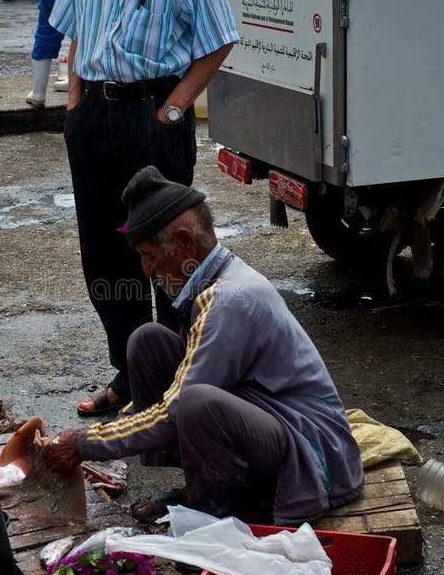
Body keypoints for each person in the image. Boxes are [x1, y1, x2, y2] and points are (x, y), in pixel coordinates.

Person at [39, 166, 365, 526]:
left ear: (184, 243)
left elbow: (175, 409)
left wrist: (86, 443)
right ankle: (204, 486)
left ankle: (226, 512)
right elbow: (176, 389)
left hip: (309, 446)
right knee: (148, 341)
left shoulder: (228, 300)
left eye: (150, 256)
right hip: (264, 414)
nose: (147, 270)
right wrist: (107, 433)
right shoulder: (211, 281)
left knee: (195, 404)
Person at [48, 0, 239, 418]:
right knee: (106, 253)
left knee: (168, 251)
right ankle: (130, 376)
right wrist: (75, 99)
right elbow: (78, 24)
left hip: (154, 115)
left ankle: (180, 377)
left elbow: (218, 38)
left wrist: (175, 109)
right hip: (94, 116)